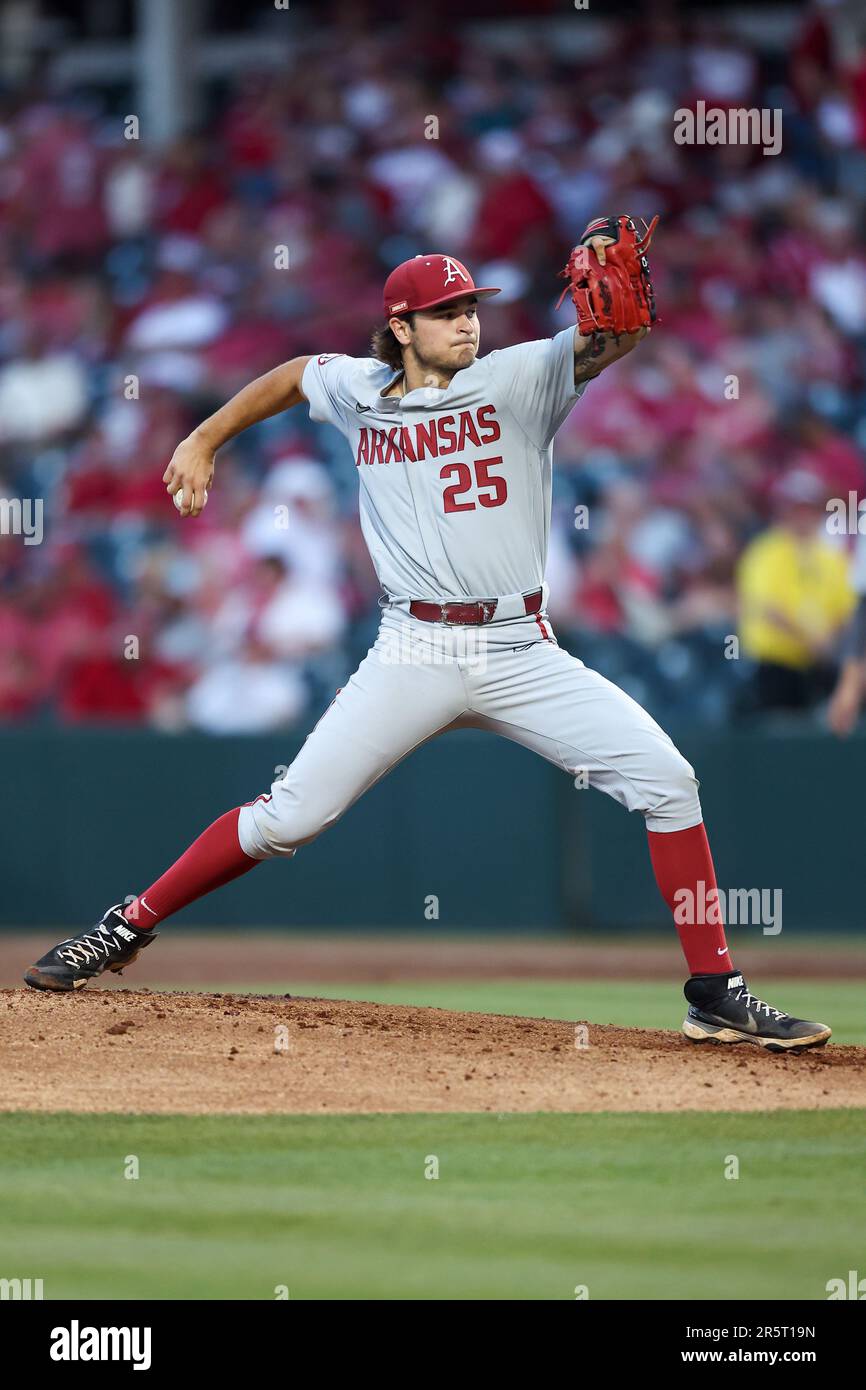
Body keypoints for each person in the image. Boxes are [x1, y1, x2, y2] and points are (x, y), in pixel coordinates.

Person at [25, 238, 830, 1052]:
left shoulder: (521, 376)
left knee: (669, 781)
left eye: (473, 307)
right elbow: (296, 371)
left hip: (520, 647)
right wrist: (204, 439)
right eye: (448, 312)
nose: (468, 323)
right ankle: (123, 928)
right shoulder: (359, 390)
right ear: (402, 327)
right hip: (413, 648)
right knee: (287, 820)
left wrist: (623, 323)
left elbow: (605, 340)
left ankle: (714, 991)